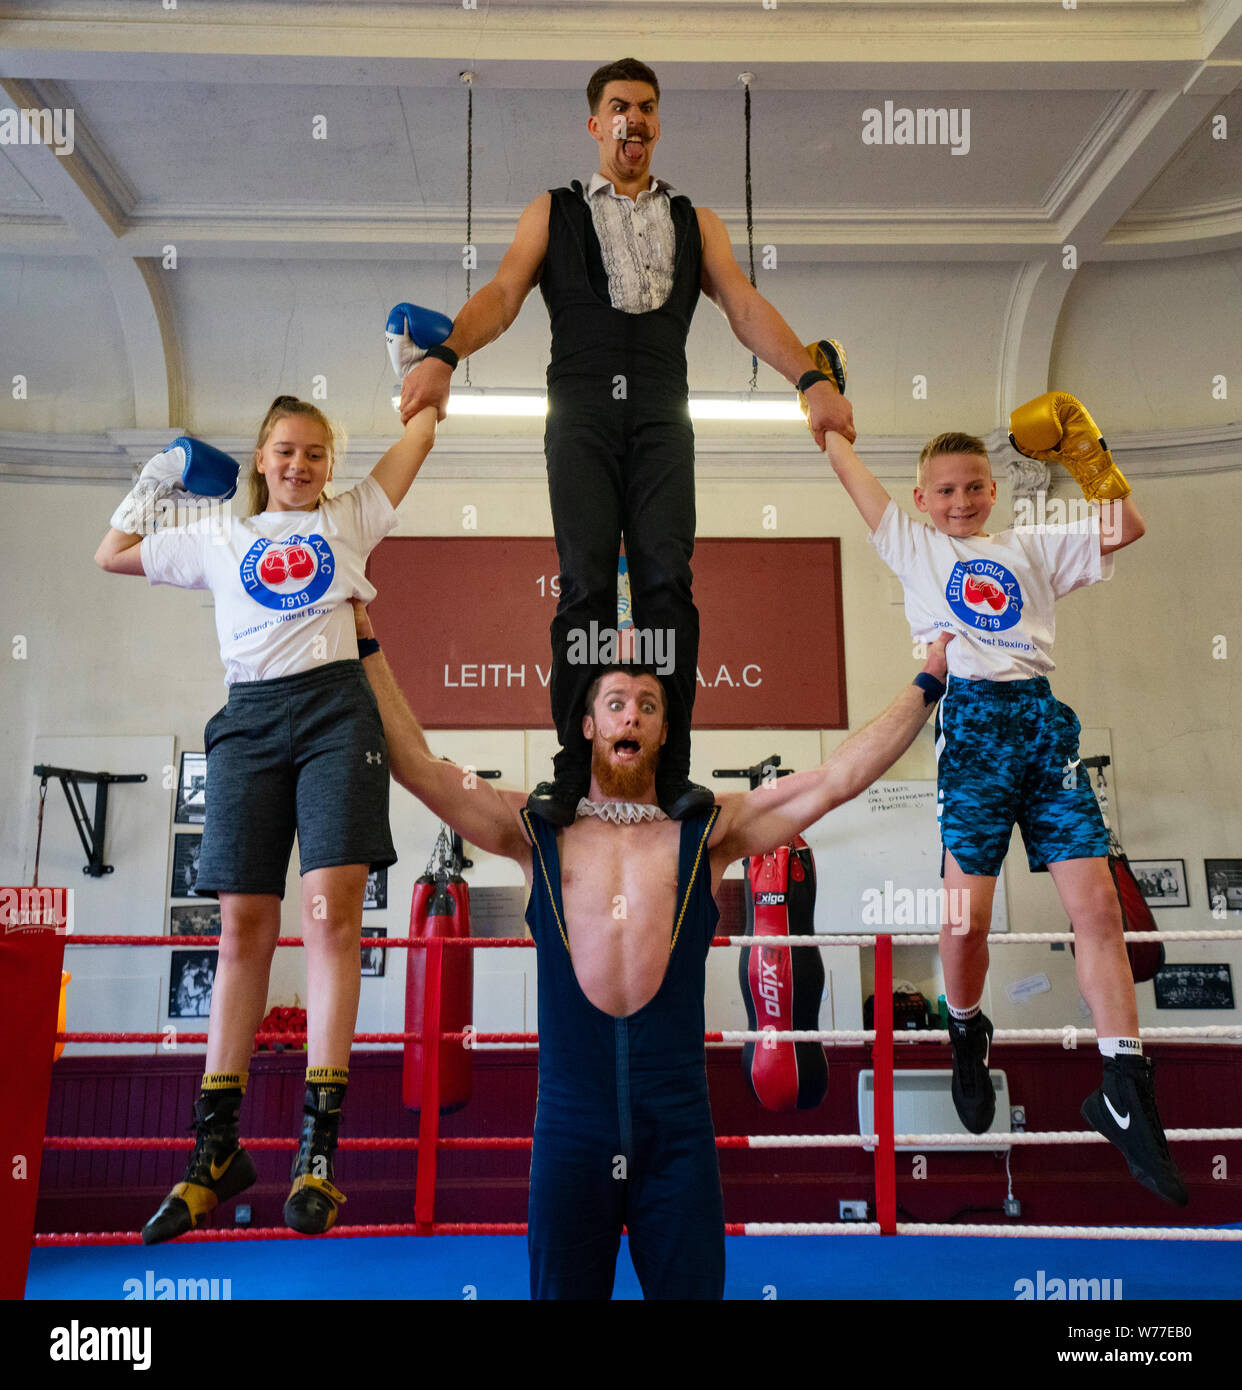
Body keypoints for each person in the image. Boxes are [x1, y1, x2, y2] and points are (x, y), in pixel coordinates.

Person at [354, 598, 951, 1298]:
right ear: (588, 726)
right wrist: (366, 644)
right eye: (614, 702)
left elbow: (836, 779)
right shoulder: (532, 827)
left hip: (677, 1130)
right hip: (571, 1129)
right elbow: (419, 766)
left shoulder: (711, 831)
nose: (630, 714)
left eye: (646, 704)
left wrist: (931, 680)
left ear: (666, 730)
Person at [397, 57, 855, 827]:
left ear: (657, 122)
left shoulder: (696, 219)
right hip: (577, 411)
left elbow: (742, 305)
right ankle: (572, 770)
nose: (632, 120)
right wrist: (446, 358)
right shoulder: (552, 210)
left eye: (645, 107)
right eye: (617, 107)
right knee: (583, 587)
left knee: (666, 587)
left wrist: (811, 379)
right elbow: (506, 293)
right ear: (595, 123)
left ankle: (673, 770)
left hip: (661, 415)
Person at [816, 353, 1186, 1205]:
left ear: (994, 488)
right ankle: (966, 1031)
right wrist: (821, 389)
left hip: (1042, 720)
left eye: (975, 486)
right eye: (945, 491)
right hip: (972, 724)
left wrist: (1085, 449)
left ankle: (1125, 1084)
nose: (961, 501)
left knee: (1096, 908)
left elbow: (1124, 524)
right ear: (922, 501)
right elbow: (847, 468)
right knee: (965, 920)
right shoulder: (910, 545)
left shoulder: (1030, 543)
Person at [95, 395, 437, 1241]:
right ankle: (215, 1151)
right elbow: (112, 554)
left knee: (332, 918)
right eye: (285, 451)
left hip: (334, 716)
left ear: (330, 463)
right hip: (245, 720)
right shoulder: (216, 536)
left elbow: (420, 436)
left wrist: (423, 376)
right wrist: (163, 471)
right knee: (242, 925)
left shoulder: (351, 516)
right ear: (258, 456)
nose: (300, 466)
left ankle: (318, 1150)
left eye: (316, 453)